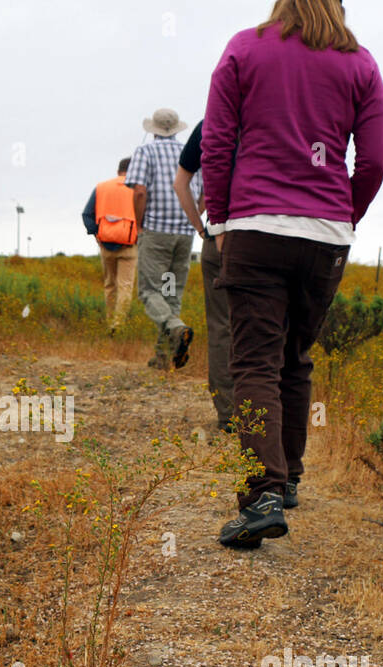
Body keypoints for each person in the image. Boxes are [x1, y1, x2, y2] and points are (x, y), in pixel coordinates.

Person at [202, 0, 383, 549]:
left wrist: (220, 218)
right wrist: (343, 214)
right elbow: (374, 159)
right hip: (326, 236)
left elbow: (217, 142)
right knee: (294, 356)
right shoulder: (360, 64)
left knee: (255, 361)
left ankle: (262, 492)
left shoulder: (244, 47)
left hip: (257, 225)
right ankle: (289, 480)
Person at [173, 119, 236, 433]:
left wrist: (201, 228)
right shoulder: (277, 114)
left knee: (222, 327)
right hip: (268, 235)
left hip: (218, 236)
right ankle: (265, 412)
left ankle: (228, 415)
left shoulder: (211, 124)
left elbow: (180, 183)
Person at [125, 108, 195, 370]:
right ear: (177, 128)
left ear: (153, 130)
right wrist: (195, 218)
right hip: (185, 232)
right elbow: (204, 190)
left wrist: (140, 225)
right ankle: (164, 358)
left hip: (156, 231)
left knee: (150, 291)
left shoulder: (145, 152)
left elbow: (140, 191)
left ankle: (175, 328)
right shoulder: (190, 151)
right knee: (171, 292)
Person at [81, 158, 139, 335]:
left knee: (110, 285)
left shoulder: (101, 188)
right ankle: (118, 325)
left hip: (105, 245)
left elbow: (86, 214)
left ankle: (109, 321)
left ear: (118, 171)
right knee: (125, 286)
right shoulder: (138, 189)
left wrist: (98, 234)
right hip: (130, 245)